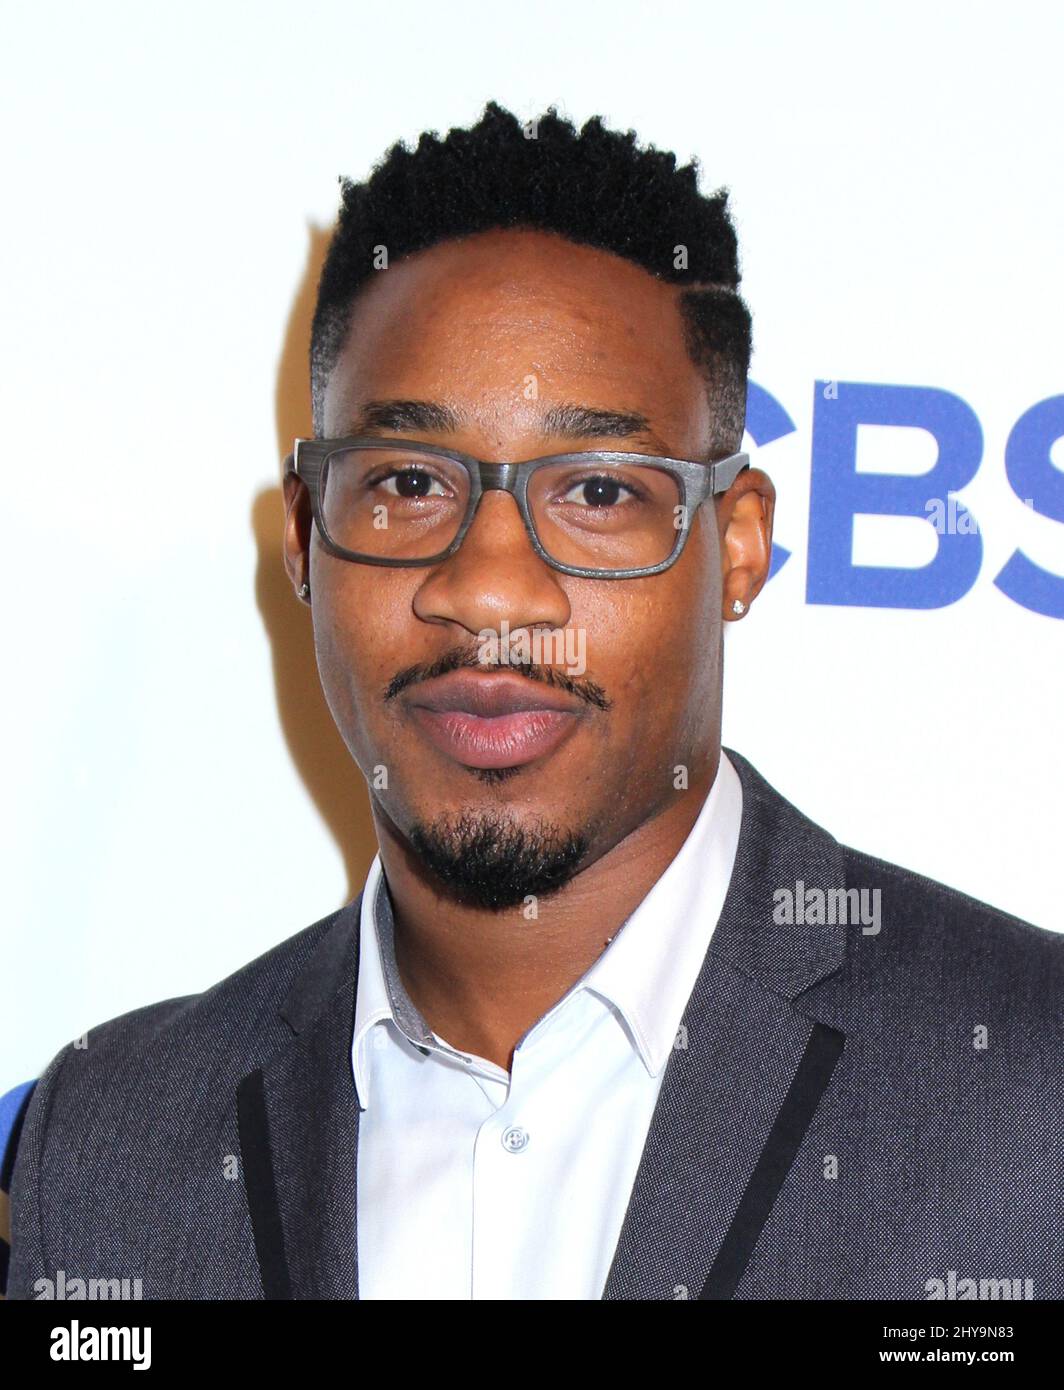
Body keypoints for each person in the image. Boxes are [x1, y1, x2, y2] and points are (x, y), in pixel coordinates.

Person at [4, 103, 1061, 1302]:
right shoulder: (108, 1143)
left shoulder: (1030, 1091)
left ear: (738, 544)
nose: (487, 589)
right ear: (304, 538)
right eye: (406, 481)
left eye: (597, 489)